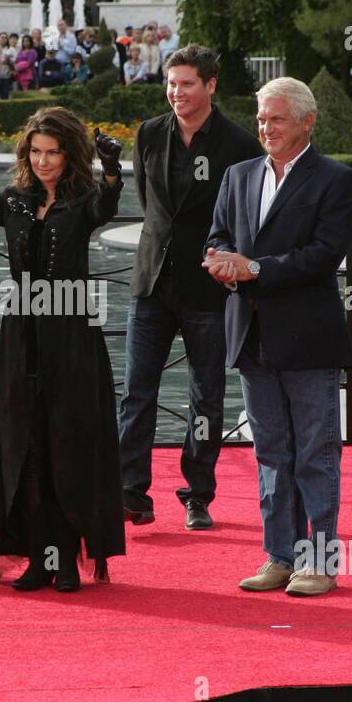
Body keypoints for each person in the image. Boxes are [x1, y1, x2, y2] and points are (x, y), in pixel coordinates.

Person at [0, 108, 128, 590]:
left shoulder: (84, 200)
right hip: (21, 335)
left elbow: (108, 206)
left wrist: (113, 169)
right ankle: (39, 558)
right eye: (36, 151)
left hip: (73, 333)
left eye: (53, 152)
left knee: (67, 443)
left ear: (70, 154)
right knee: (26, 444)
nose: (44, 161)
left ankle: (68, 558)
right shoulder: (14, 201)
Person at [202, 78, 352, 596]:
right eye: (262, 119)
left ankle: (321, 561)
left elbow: (324, 254)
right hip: (250, 334)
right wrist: (223, 264)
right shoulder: (237, 175)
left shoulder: (335, 178)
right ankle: (280, 556)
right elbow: (218, 236)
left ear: (306, 122)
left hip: (308, 335)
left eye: (277, 119)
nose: (266, 128)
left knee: (316, 452)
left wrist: (255, 269)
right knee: (270, 452)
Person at [119, 44, 263, 531]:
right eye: (171, 83)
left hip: (209, 289)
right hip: (151, 282)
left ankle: (197, 494)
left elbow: (246, 217)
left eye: (186, 83)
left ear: (210, 86)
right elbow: (150, 205)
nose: (176, 92)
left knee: (206, 395)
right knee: (138, 391)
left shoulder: (240, 145)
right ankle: (131, 492)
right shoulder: (149, 133)